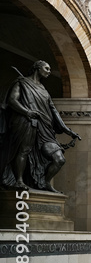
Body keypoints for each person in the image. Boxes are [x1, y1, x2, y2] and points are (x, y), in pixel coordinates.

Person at [0, 60, 81, 192]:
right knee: (24, 150)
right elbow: (12, 100)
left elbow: (54, 111)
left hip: (45, 129)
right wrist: (27, 112)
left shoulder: (44, 90)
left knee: (59, 159)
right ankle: (19, 181)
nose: (49, 72)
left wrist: (67, 130)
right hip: (27, 122)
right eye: (47, 69)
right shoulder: (22, 82)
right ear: (37, 68)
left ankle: (45, 182)